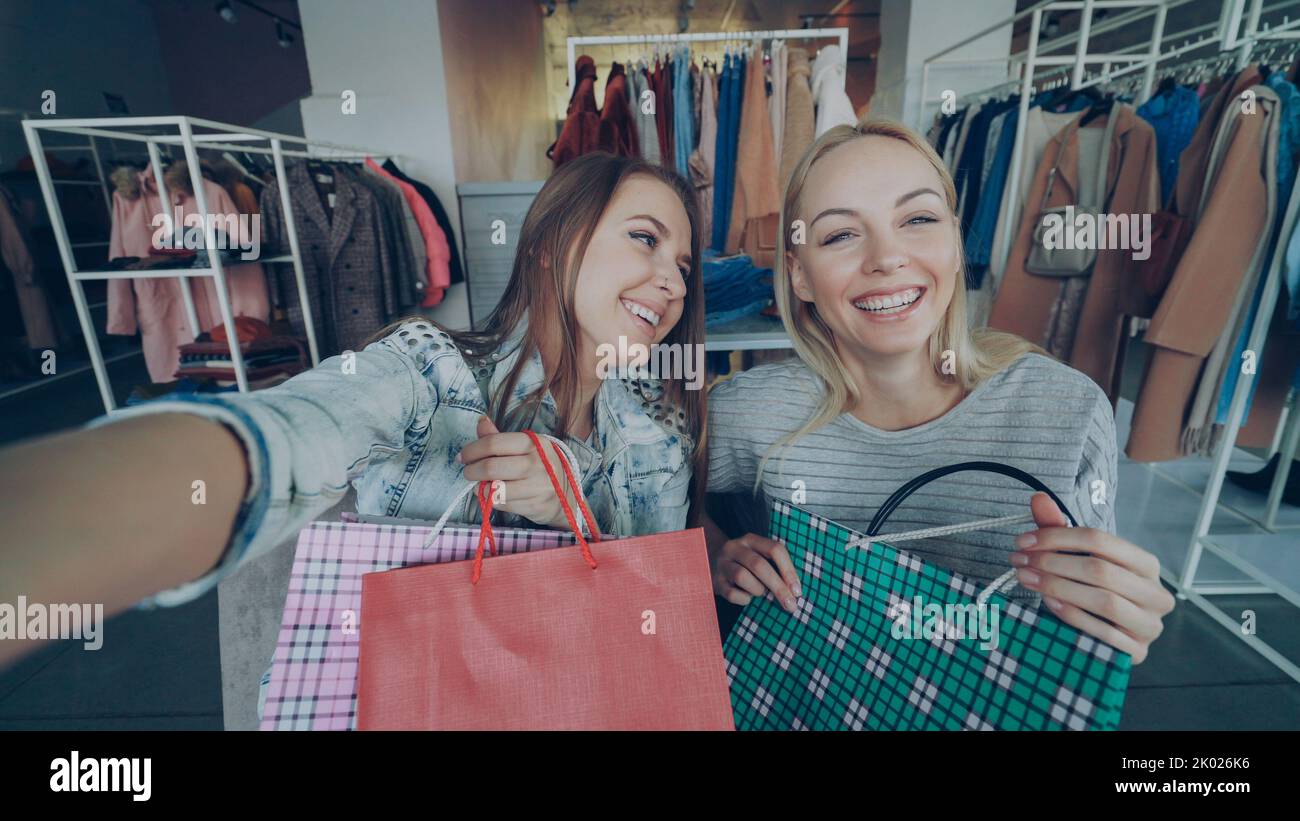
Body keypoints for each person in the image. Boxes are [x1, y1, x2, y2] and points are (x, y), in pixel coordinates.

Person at [0, 152, 707, 669]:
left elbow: (657, 622)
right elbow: (292, 436)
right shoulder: (427, 368)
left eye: (684, 263)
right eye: (646, 238)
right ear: (554, 243)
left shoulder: (662, 437)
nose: (672, 281)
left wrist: (577, 511)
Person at [704, 119, 1174, 664]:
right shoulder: (747, 412)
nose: (886, 257)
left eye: (918, 219)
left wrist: (1118, 618)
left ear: (954, 241)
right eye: (840, 235)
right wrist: (715, 552)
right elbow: (668, 514)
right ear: (799, 275)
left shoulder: (1065, 411)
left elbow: (1092, 628)